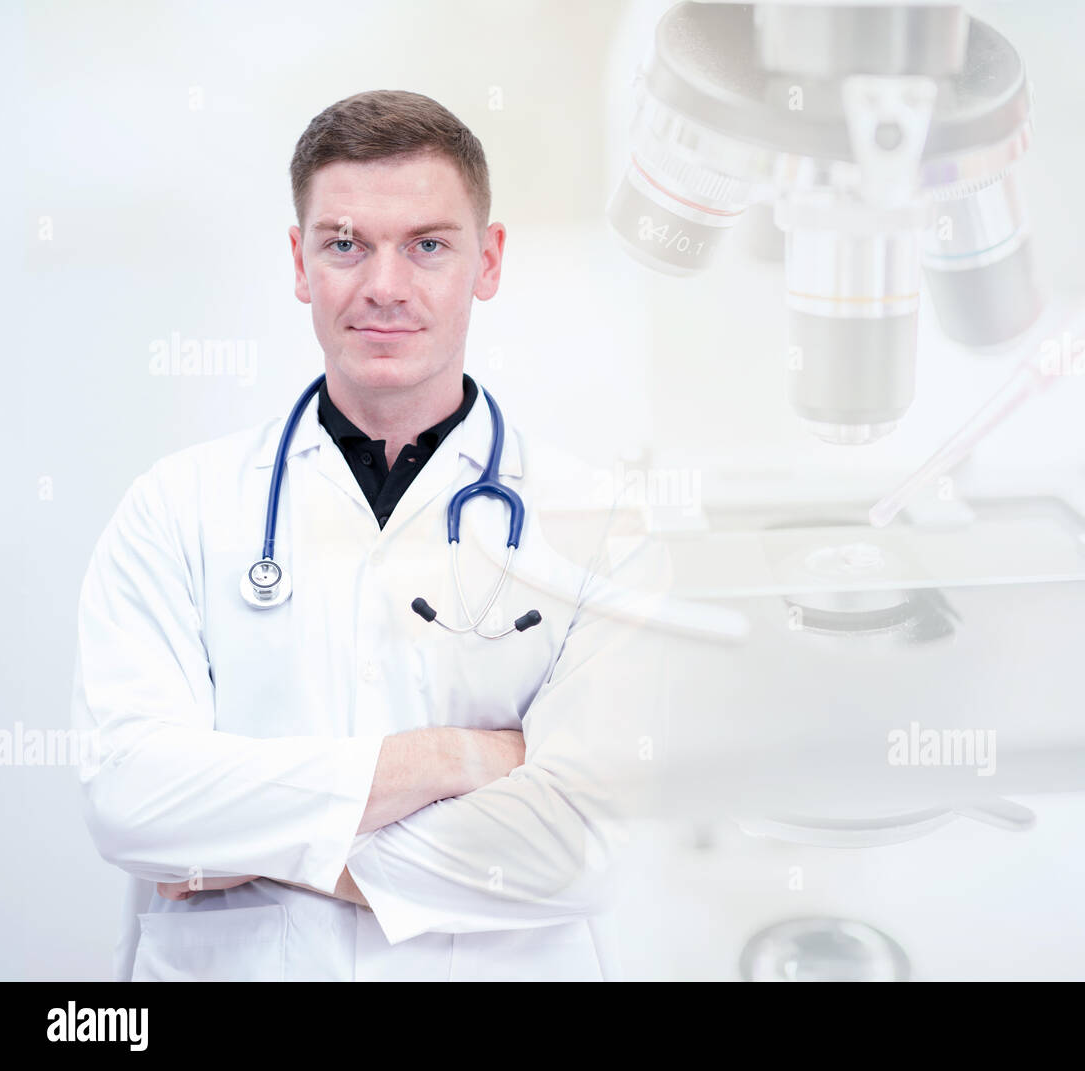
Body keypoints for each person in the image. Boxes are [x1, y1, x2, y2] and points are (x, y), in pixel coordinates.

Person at [70, 89, 661, 982]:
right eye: (345, 244)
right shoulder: (175, 510)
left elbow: (582, 844)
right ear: (301, 263)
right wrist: (451, 759)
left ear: (488, 261)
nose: (384, 285)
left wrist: (264, 845)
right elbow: (131, 799)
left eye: (428, 245)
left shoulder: (601, 525)